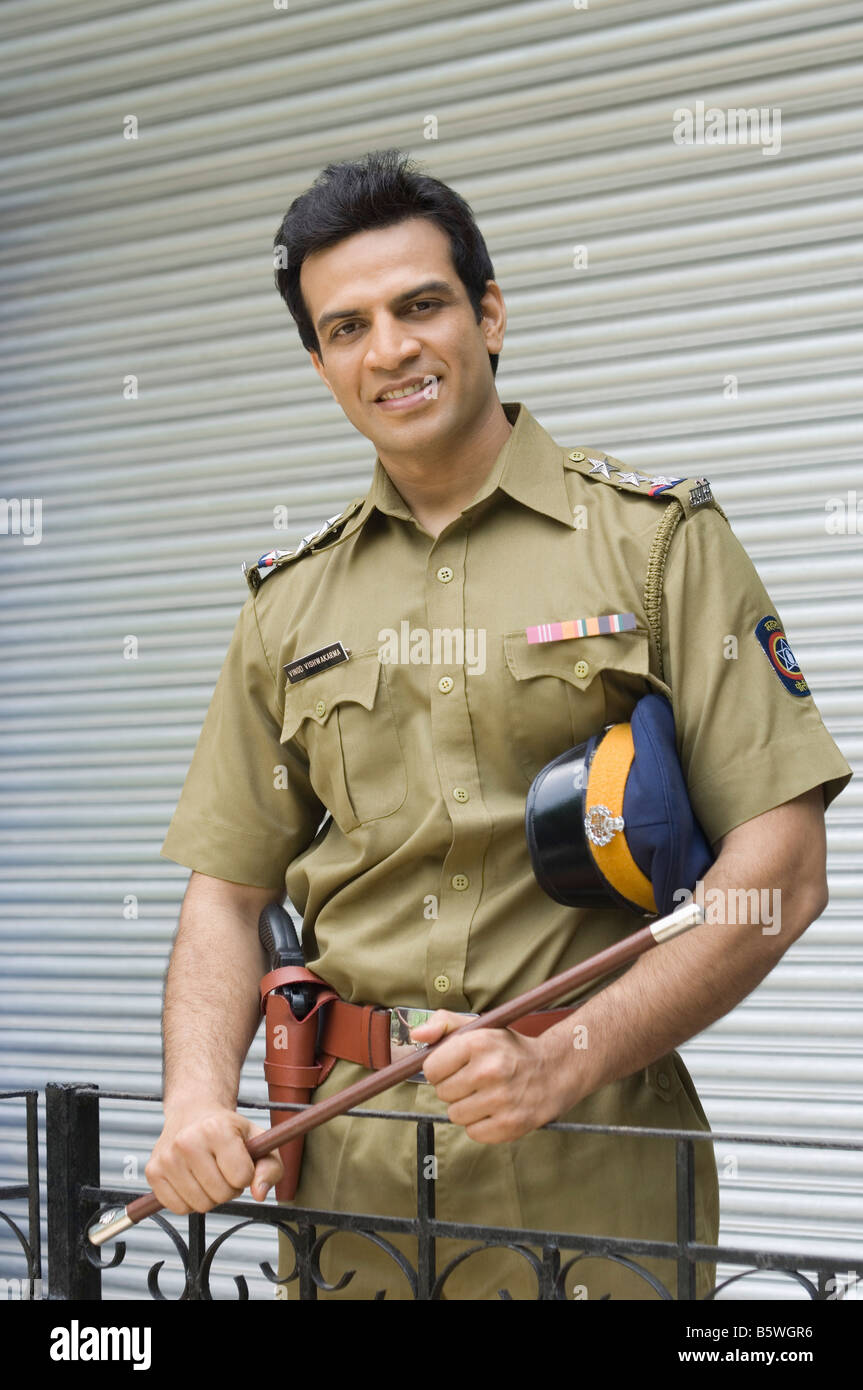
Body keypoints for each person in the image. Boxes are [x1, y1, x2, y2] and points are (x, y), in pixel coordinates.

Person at [149, 149, 853, 1300]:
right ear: (320, 362)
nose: (390, 349)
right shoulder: (288, 606)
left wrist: (560, 1058)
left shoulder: (655, 543)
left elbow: (781, 868)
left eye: (420, 305)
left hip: (593, 1162)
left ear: (488, 315)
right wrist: (192, 1100)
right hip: (349, 1170)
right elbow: (226, 895)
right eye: (347, 326)